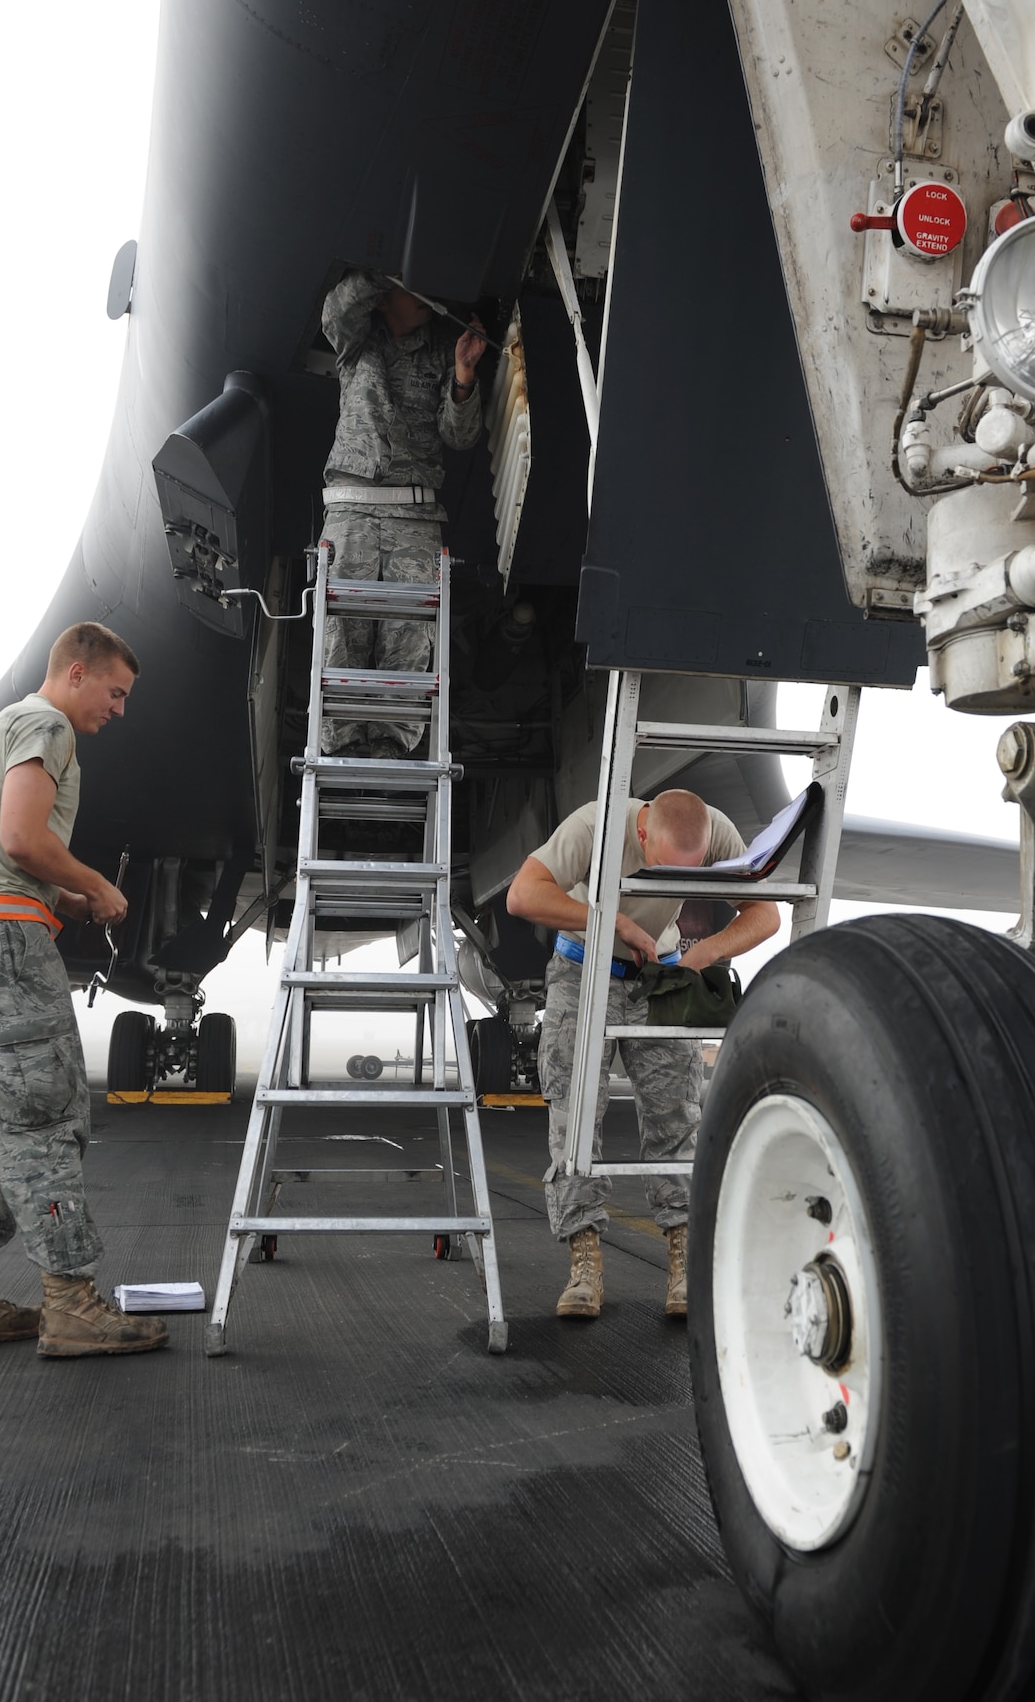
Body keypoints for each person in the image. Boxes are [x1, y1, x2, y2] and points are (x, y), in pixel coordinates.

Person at [0, 622, 167, 1359]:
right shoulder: (46, 723)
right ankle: (71, 1304)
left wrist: (62, 901)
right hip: (1, 945)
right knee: (41, 1120)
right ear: (74, 672)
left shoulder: (0, 728)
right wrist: (96, 884)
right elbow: (25, 837)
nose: (118, 709)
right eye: (115, 692)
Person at [506, 789, 780, 1321]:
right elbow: (522, 896)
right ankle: (584, 1262)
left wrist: (708, 951)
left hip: (662, 976)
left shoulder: (716, 827)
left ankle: (684, 1259)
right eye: (662, 867)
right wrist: (610, 920)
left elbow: (765, 913)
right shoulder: (597, 822)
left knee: (676, 1117)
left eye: (690, 870)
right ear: (641, 834)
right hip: (582, 973)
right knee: (573, 1119)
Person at [319, 270, 486, 758]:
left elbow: (460, 437)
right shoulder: (358, 341)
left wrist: (462, 376)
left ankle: (392, 741)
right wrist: (387, 270)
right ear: (387, 295)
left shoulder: (439, 351)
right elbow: (335, 311)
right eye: (414, 291)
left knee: (408, 637)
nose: (427, 301)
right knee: (342, 633)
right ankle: (345, 742)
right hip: (352, 507)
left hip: (413, 514)